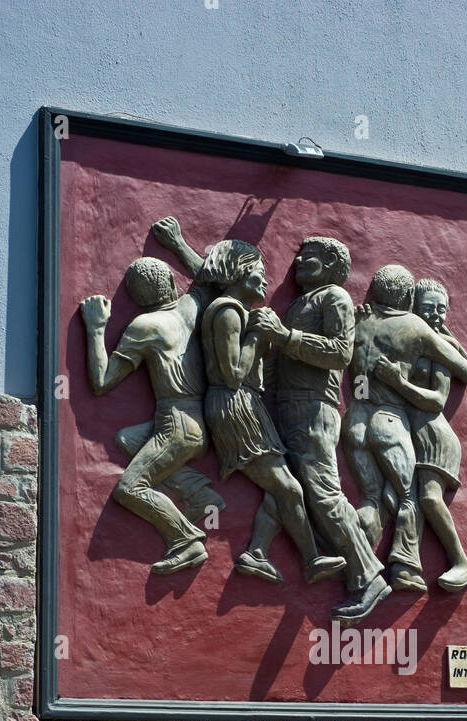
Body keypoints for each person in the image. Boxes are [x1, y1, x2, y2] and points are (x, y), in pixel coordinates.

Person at [155, 221, 345, 586]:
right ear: (241, 274)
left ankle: (261, 553)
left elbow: (209, 275)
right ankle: (311, 559)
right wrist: (259, 337)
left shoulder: (230, 304)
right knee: (287, 487)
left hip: (247, 405)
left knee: (284, 483)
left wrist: (180, 246)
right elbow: (231, 375)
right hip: (234, 406)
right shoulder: (229, 312)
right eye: (258, 272)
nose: (265, 279)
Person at [245, 236, 389, 623]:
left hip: (314, 409)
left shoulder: (335, 298)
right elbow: (282, 358)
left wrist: (285, 337)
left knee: (324, 494)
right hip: (289, 409)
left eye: (308, 257)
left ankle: (369, 574)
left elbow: (340, 353)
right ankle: (266, 553)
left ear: (330, 264)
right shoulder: (297, 304)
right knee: (288, 489)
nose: (298, 262)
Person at [80, 252, 225, 575]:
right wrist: (177, 244)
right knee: (127, 438)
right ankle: (198, 494)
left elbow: (102, 382)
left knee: (129, 489)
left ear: (136, 297)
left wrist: (95, 328)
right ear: (173, 283)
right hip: (200, 422)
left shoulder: (143, 326)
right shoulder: (193, 304)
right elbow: (211, 275)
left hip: (175, 425)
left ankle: (186, 539)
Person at [341, 265, 467, 592]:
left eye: (441, 309)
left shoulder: (366, 324)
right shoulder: (411, 328)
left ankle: (456, 562)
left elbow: (443, 395)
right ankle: (396, 568)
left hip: (399, 429)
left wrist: (399, 379)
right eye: (428, 307)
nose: (435, 314)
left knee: (400, 499)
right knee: (400, 498)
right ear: (409, 299)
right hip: (394, 424)